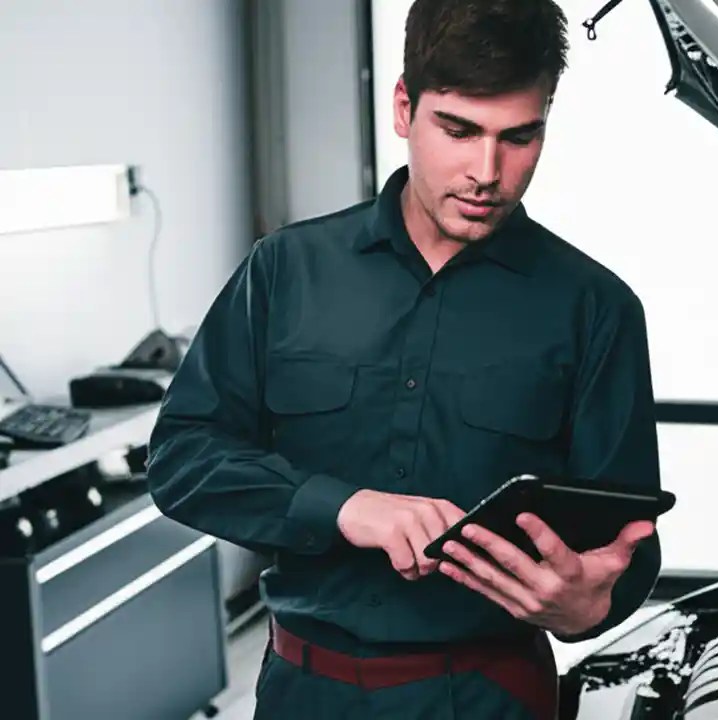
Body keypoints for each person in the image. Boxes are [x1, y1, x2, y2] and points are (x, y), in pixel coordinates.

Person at [144, 0, 663, 717]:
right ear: (403, 108)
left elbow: (626, 542)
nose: (487, 171)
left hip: (492, 697)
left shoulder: (596, 308)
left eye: (519, 136)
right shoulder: (284, 270)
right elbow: (182, 457)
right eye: (458, 130)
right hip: (304, 691)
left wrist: (585, 610)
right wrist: (346, 507)